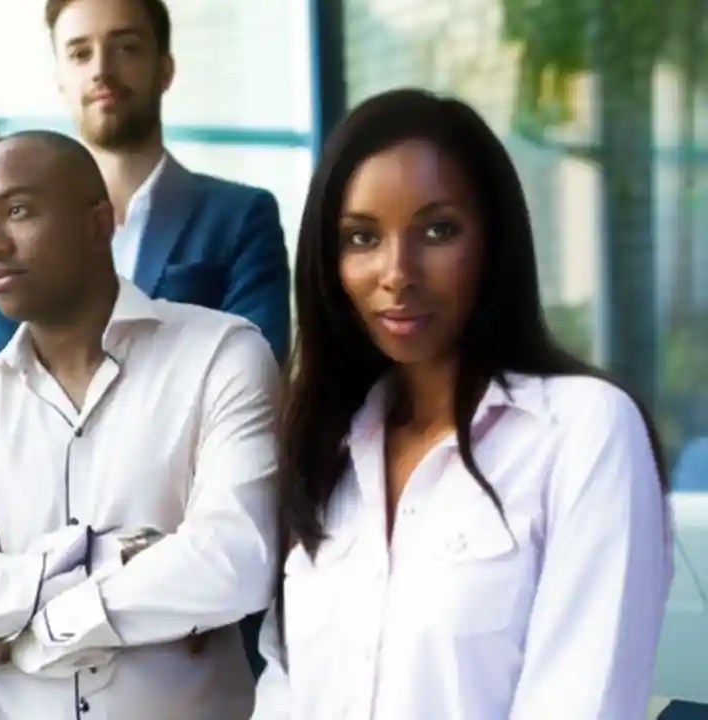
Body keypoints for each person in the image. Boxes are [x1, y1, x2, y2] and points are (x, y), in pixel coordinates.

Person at [252, 88, 672, 719]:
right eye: (362, 237)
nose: (397, 272)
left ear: (493, 242)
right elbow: (286, 690)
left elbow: (583, 700)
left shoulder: (584, 430)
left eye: (438, 230)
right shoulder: (325, 449)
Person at [0, 131, 279, 720]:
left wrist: (44, 627)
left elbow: (237, 560)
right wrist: (103, 561)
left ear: (98, 223)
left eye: (19, 211)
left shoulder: (221, 354)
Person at [0, 0, 291, 372]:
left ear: (164, 69)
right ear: (60, 80)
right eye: (80, 54)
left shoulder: (239, 217)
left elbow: (257, 374)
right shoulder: (8, 235)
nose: (101, 70)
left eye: (126, 48)